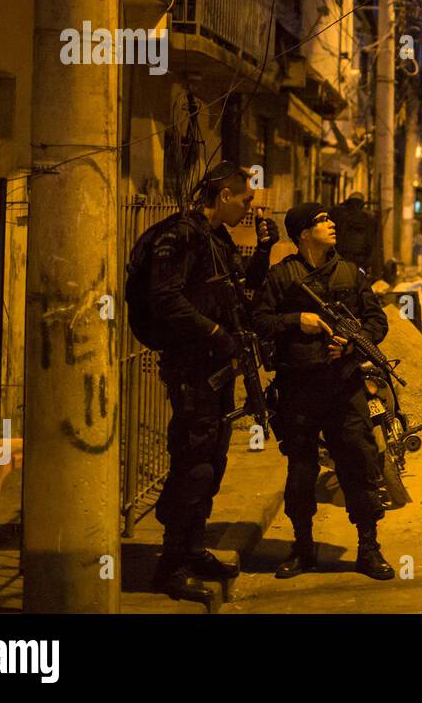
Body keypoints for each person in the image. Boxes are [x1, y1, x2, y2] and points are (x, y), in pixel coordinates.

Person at [148, 162, 279, 602]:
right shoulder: (183, 234)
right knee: (193, 462)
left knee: (213, 460)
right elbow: (165, 296)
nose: (249, 209)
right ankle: (172, 564)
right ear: (224, 195)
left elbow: (241, 290)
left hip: (215, 368)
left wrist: (263, 250)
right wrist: (214, 333)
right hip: (192, 367)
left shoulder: (215, 237)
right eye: (245, 199)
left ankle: (192, 546)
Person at [252, 202, 395, 581]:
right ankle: (302, 547)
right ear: (302, 234)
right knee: (300, 471)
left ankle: (369, 547)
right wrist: (296, 320)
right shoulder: (282, 277)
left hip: (343, 385)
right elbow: (259, 321)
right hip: (298, 387)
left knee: (360, 463)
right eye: (321, 221)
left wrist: (351, 341)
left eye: (330, 219)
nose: (331, 224)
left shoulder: (349, 272)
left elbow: (376, 320)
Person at [328, 192, 384, 279]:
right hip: (360, 259)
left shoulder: (337, 213)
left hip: (340, 257)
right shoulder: (369, 217)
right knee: (359, 281)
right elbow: (372, 242)